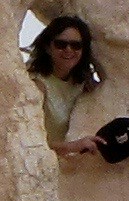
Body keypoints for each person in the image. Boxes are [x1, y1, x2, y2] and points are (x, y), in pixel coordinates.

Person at [24, 11, 106, 154]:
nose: (68, 50)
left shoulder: (82, 82)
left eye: (76, 45)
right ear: (48, 48)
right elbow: (27, 141)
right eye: (61, 44)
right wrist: (72, 147)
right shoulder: (36, 84)